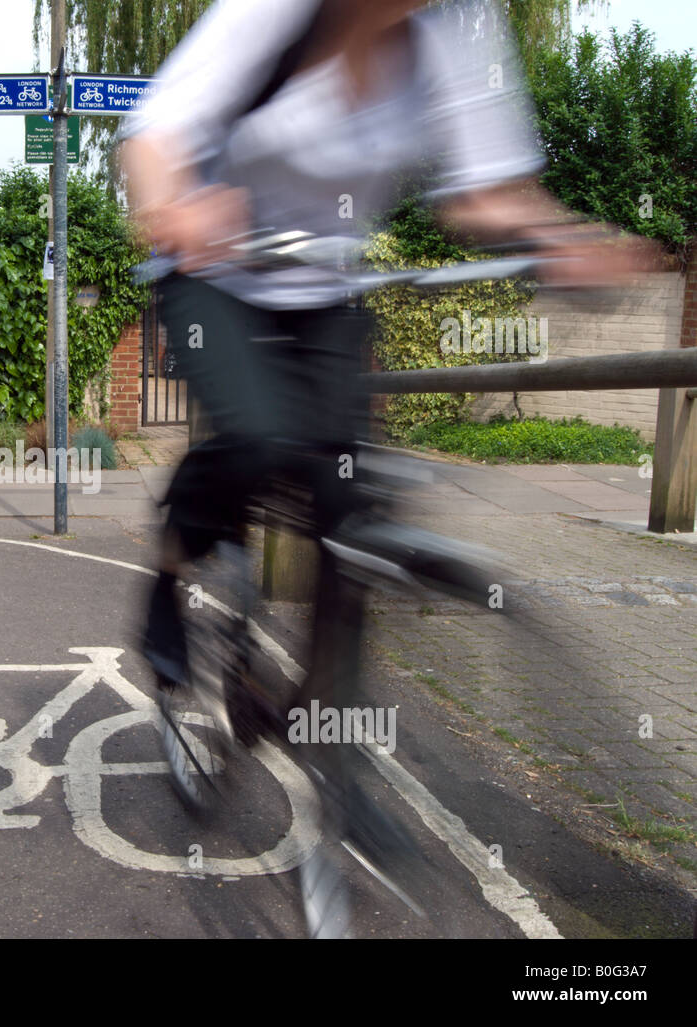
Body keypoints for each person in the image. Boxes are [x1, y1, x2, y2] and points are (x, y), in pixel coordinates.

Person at [120, 0, 658, 692]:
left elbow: (478, 195)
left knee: (347, 492)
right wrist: (173, 205)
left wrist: (562, 240)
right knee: (259, 442)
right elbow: (153, 134)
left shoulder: (455, 35)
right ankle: (170, 571)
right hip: (215, 275)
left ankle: (328, 716)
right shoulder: (272, 13)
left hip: (324, 289)